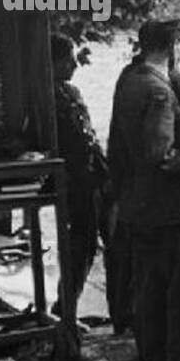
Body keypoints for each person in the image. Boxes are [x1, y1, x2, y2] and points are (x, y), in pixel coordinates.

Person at [107, 19, 180, 361]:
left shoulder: (127, 81)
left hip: (138, 207)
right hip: (169, 210)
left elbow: (117, 149)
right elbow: (160, 154)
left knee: (149, 292)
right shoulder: (159, 91)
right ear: (175, 45)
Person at [50, 33, 108, 325]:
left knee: (90, 244)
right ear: (54, 62)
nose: (75, 66)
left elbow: (89, 139)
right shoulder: (43, 99)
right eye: (69, 60)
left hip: (91, 178)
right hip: (72, 181)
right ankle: (66, 311)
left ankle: (69, 307)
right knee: (81, 244)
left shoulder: (70, 93)